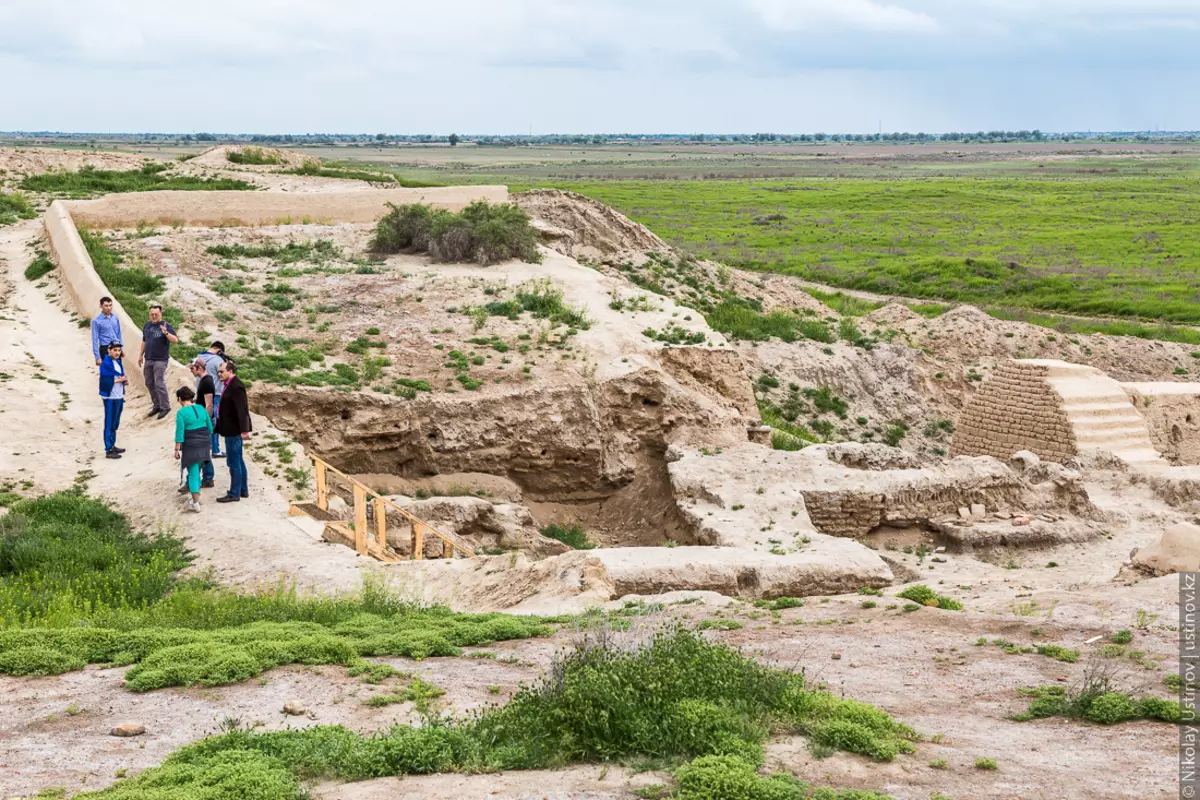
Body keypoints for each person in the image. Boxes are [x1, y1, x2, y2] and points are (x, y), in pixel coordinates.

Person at [214, 359, 252, 503]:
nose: (219, 374)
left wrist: (244, 430)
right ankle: (242, 489)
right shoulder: (230, 385)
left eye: (222, 371)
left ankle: (234, 492)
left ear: (230, 371)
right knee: (238, 460)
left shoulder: (236, 386)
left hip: (233, 430)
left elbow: (242, 410)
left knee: (233, 462)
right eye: (218, 371)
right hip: (231, 429)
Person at [174, 386, 213, 513]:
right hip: (204, 443)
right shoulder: (201, 408)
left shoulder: (181, 413)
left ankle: (195, 503)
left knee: (193, 473)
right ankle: (196, 498)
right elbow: (210, 426)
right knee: (197, 471)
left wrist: (176, 449)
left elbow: (180, 432)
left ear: (180, 399)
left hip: (191, 445)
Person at [139, 304, 177, 420]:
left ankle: (165, 406)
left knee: (159, 383)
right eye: (152, 314)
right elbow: (144, 341)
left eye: (156, 314)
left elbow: (175, 340)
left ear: (161, 314)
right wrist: (140, 355)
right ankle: (157, 405)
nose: (154, 316)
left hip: (161, 360)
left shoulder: (166, 325)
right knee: (149, 383)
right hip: (148, 359)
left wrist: (166, 333)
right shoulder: (147, 325)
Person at [187, 359, 218, 491]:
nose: (191, 371)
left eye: (192, 368)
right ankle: (207, 478)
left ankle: (199, 479)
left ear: (199, 368)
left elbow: (209, 405)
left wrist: (204, 421)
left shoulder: (206, 382)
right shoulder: (205, 381)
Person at [193, 342, 226, 458]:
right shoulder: (218, 360)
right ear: (219, 351)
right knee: (214, 422)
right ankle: (215, 449)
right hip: (215, 394)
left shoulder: (199, 357)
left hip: (201, 392)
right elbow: (224, 375)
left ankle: (206, 446)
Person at [98, 341, 128, 459]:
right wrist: (119, 380)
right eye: (115, 350)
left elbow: (118, 376)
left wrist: (124, 381)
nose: (117, 352)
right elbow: (105, 381)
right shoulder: (105, 363)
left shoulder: (118, 362)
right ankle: (108, 449)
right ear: (109, 351)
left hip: (119, 395)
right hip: (110, 397)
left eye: (119, 350)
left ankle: (113, 444)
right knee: (109, 422)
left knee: (115, 422)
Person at [91, 296, 122, 366]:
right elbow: (94, 339)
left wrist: (121, 348)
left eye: (110, 305)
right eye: (106, 306)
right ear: (101, 306)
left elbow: (119, 333)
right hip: (105, 348)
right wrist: (97, 357)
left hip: (116, 347)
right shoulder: (96, 321)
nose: (109, 308)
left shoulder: (115, 317)